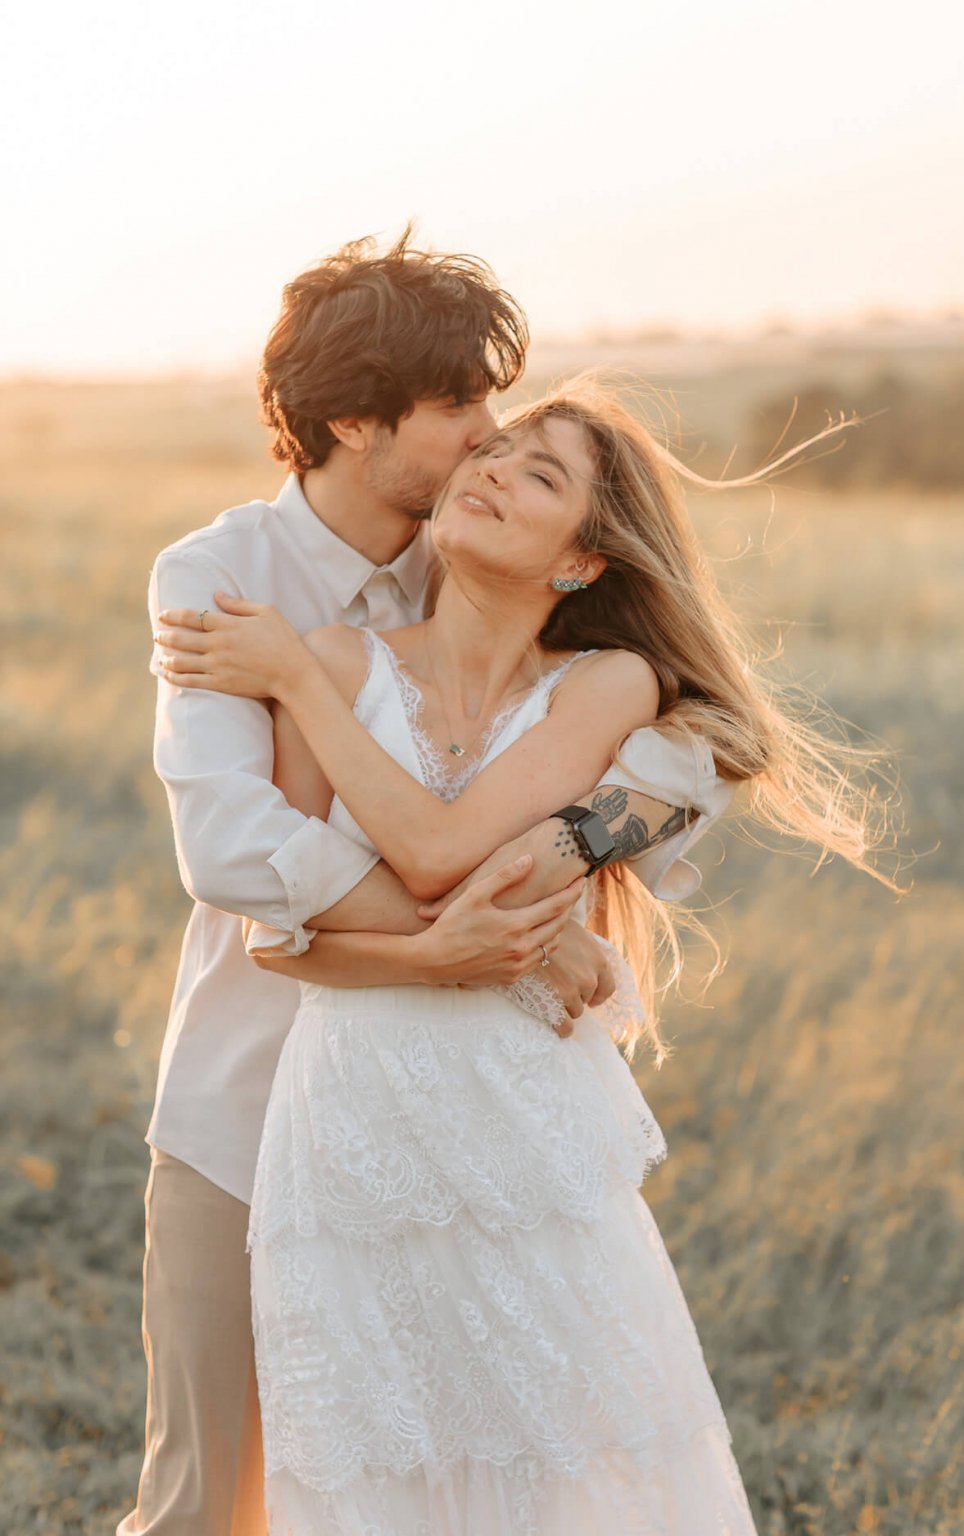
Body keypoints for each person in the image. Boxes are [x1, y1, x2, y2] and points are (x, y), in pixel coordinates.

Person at [156, 380, 890, 1533]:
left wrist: (291, 677)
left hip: (521, 1114)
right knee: (382, 1466)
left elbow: (445, 850)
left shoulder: (606, 686)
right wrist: (454, 957)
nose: (489, 470)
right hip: (350, 1120)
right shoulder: (344, 661)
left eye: (538, 474)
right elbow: (280, 942)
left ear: (582, 564)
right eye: (494, 453)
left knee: (568, 1449)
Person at [123, 234, 729, 1536]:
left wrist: (572, 850)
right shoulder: (222, 583)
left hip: (466, 1129)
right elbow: (234, 852)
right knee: (203, 1508)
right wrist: (483, 941)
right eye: (463, 406)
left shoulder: (489, 556)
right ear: (355, 418)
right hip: (249, 1102)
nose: (491, 435)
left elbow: (692, 749)